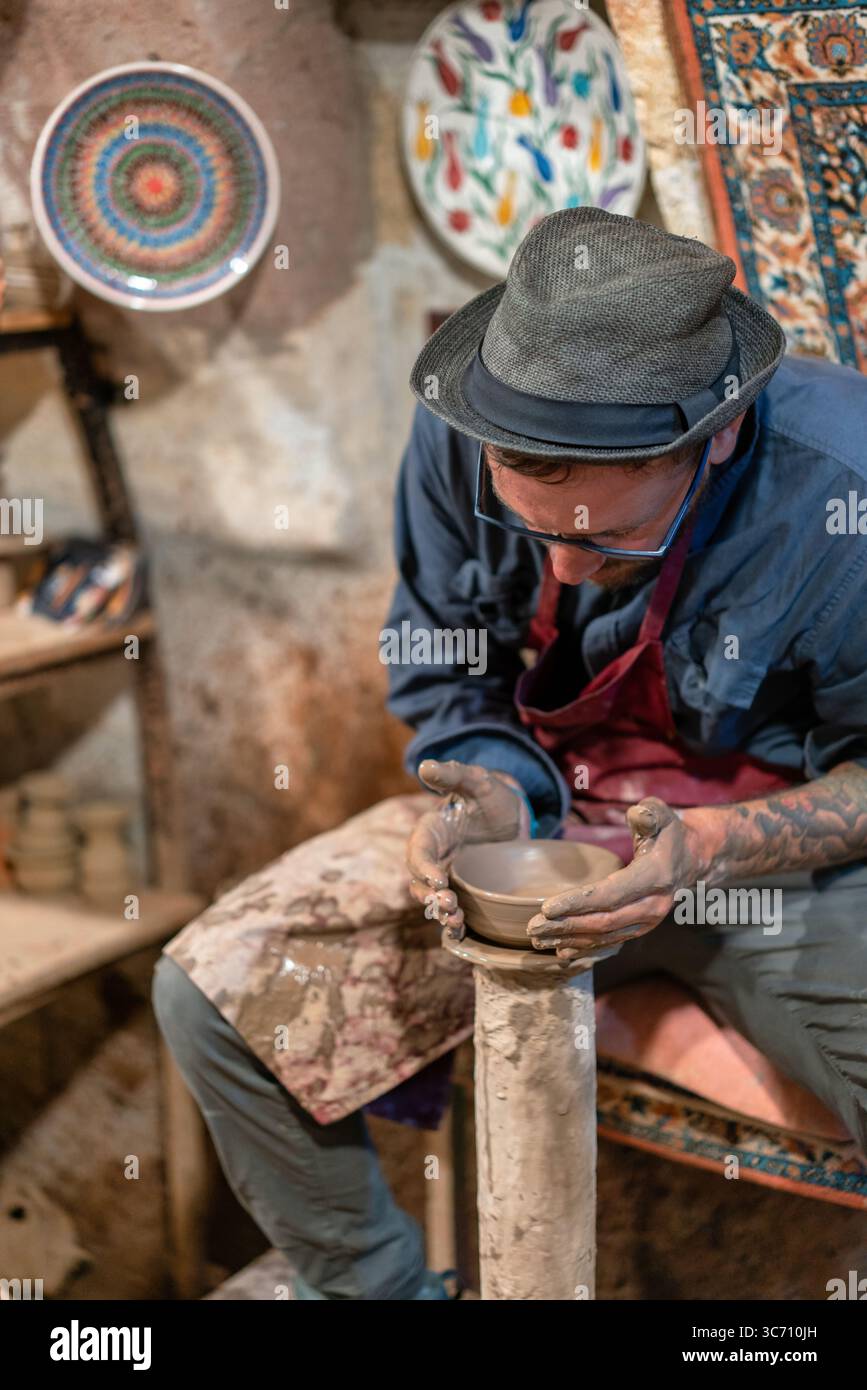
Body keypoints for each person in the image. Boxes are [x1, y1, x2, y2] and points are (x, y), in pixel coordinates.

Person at [153, 207, 867, 1300]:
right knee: (215, 996)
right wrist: (491, 790)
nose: (567, 573)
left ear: (716, 435)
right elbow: (446, 671)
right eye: (539, 532)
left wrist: (714, 846)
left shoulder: (841, 488)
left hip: (768, 862)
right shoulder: (458, 435)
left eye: (609, 538)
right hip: (550, 826)